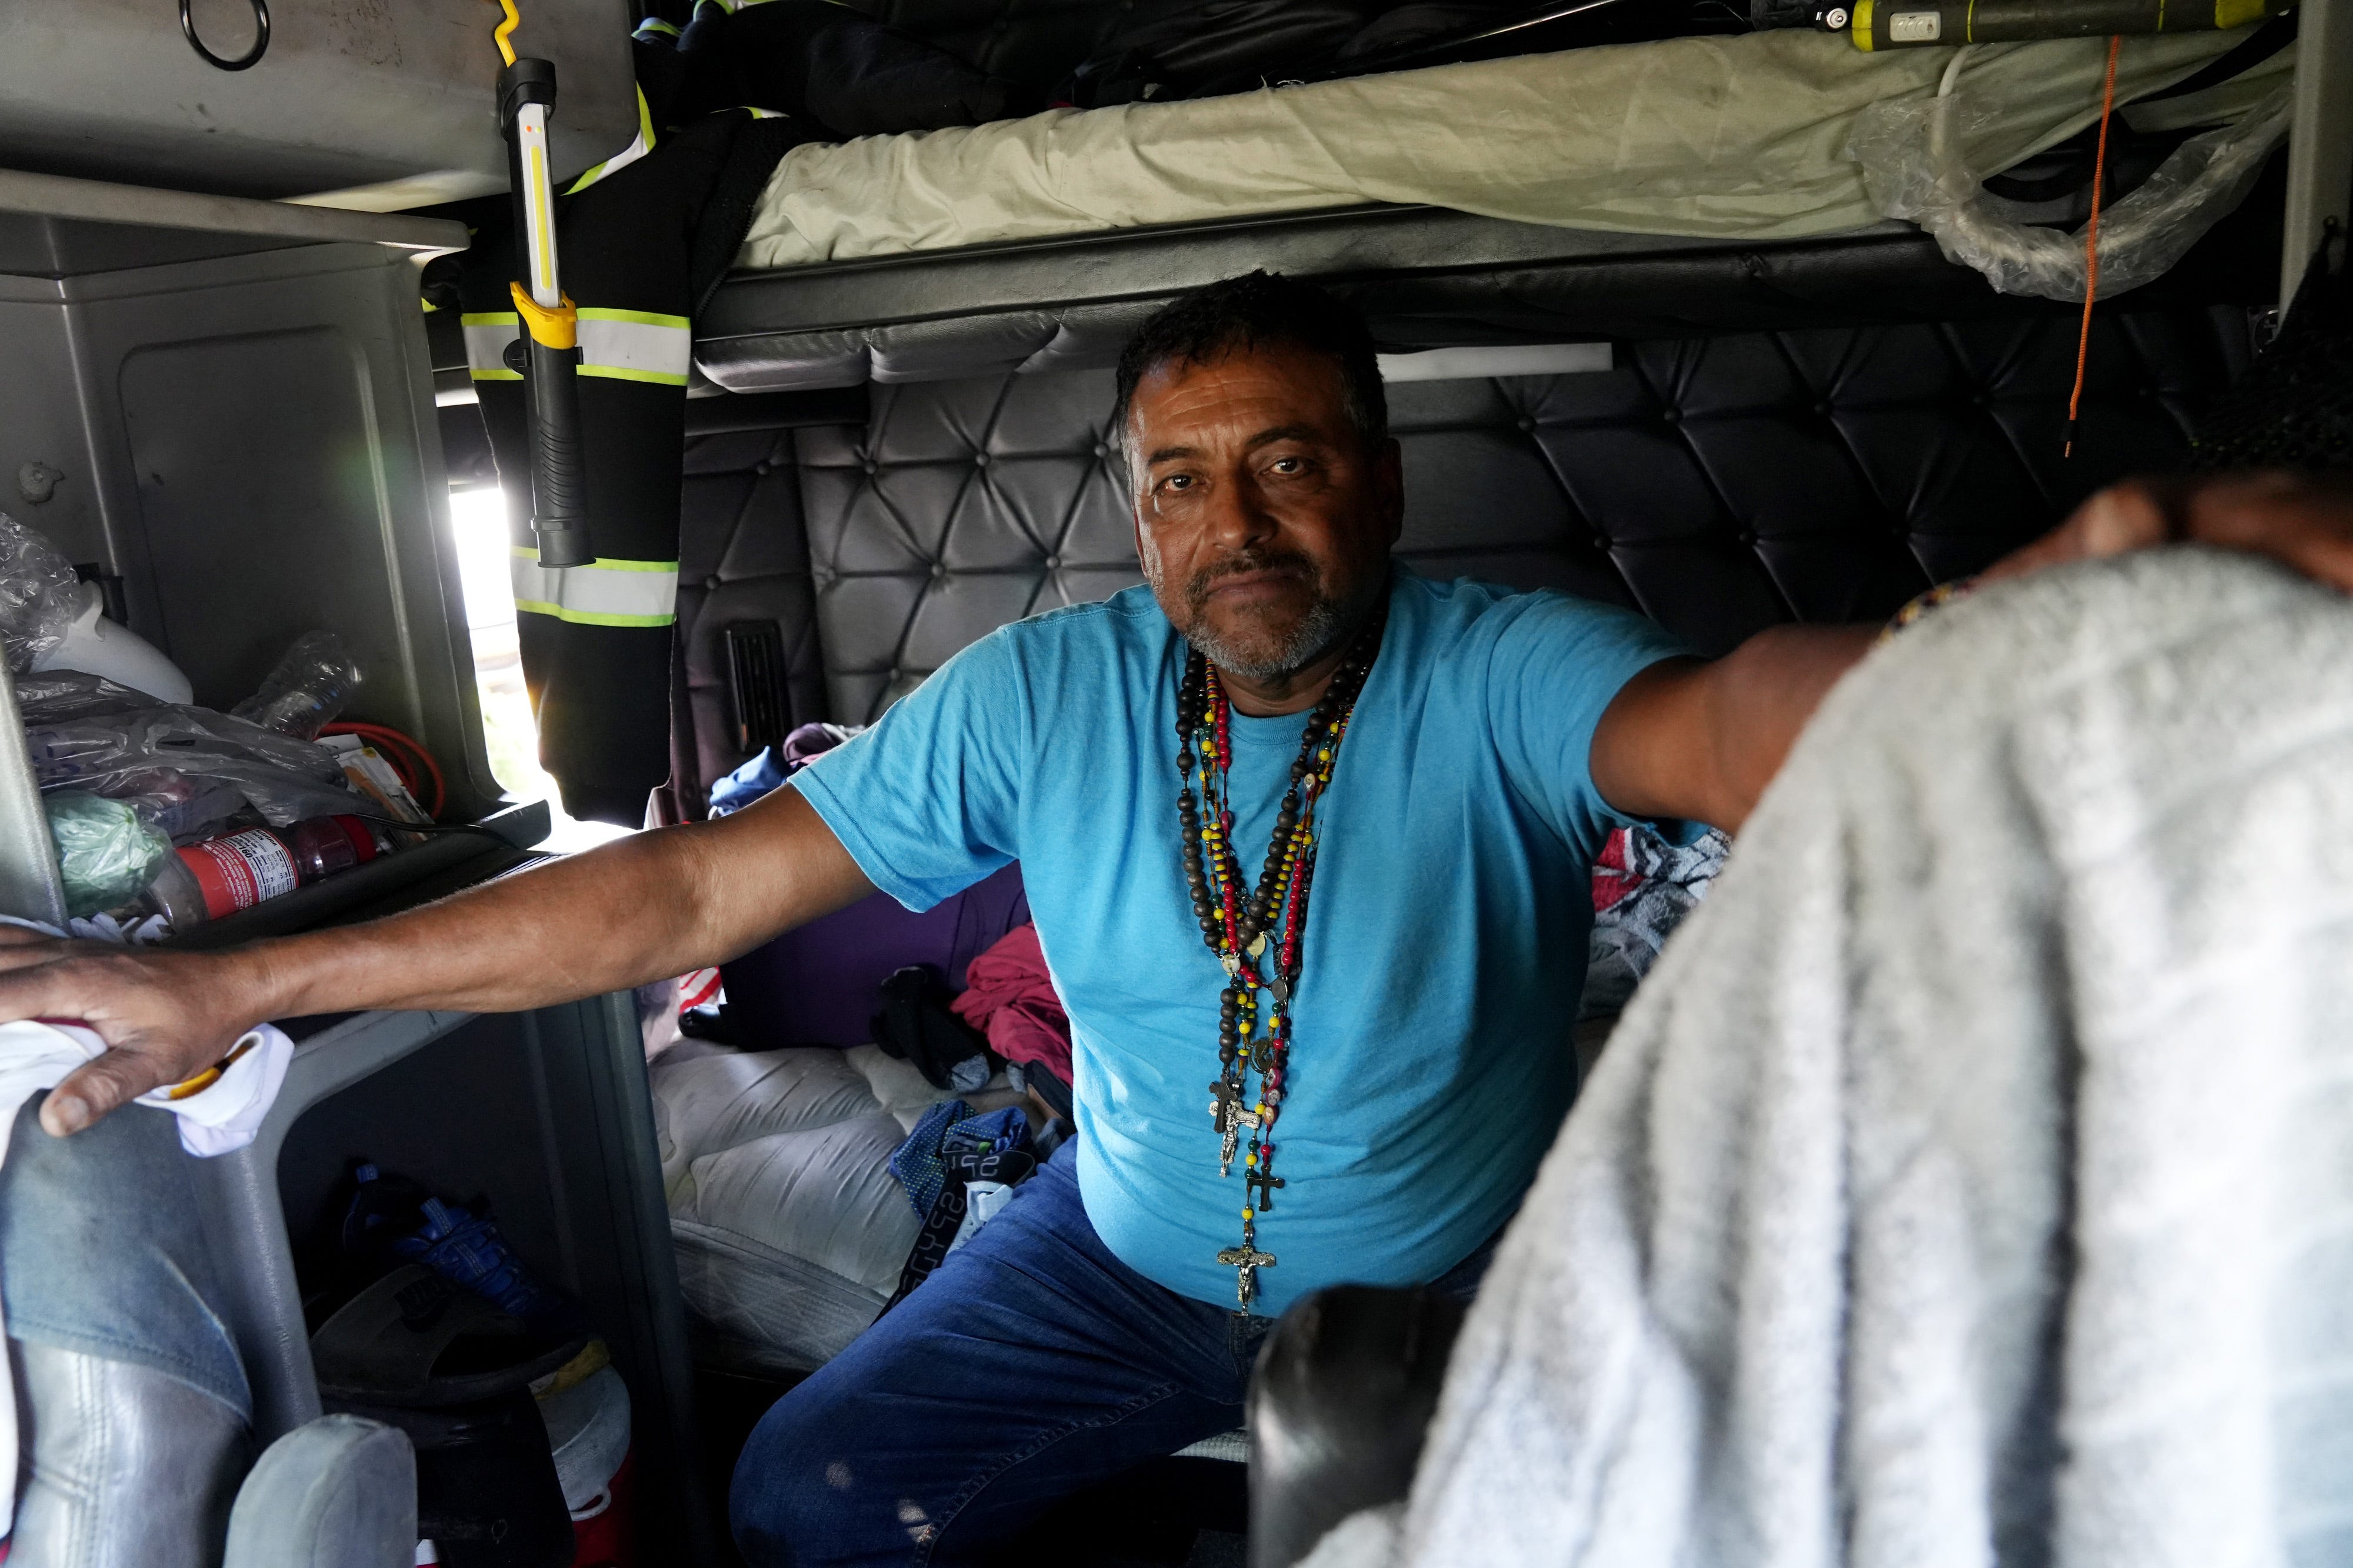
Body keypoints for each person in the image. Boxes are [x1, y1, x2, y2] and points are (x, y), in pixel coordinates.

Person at [0, 273, 2344, 1567]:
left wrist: (1990, 644)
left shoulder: (1496, 660)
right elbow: (698, 885)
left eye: (1291, 463)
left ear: (1379, 483)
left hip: (1436, 1278)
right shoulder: (1037, 694)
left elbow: (1735, 727)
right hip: (1110, 1255)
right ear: (1133, 516)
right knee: (804, 1493)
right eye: (1182, 482)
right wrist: (228, 975)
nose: (1240, 525)